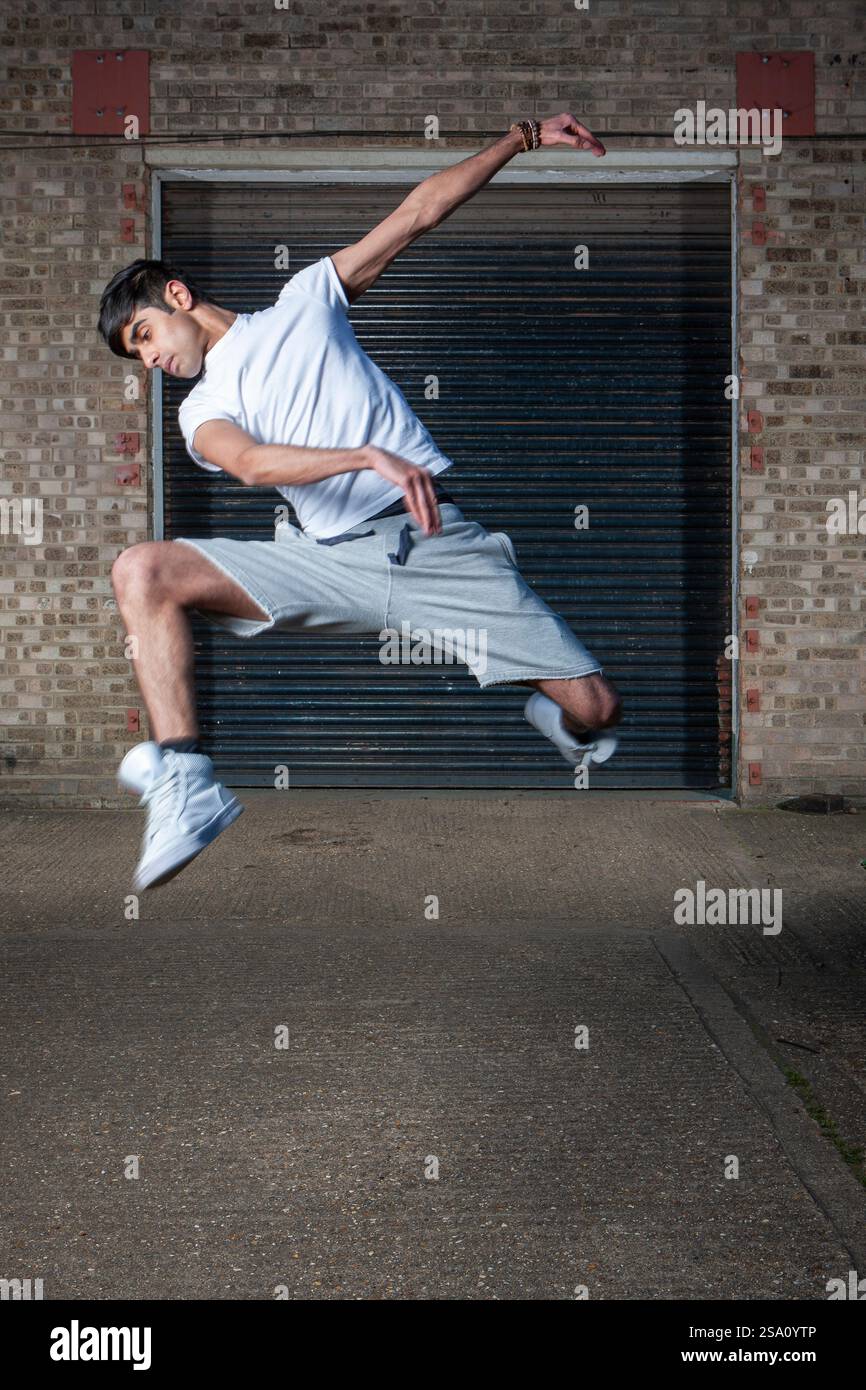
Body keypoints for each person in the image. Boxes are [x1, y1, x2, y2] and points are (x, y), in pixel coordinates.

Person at [98, 113, 623, 891]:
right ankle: (185, 780)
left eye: (146, 335)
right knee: (142, 569)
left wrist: (521, 138)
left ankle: (554, 717)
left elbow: (420, 212)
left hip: (436, 546)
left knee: (597, 708)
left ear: (177, 295)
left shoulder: (308, 301)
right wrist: (360, 455)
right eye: (138, 356)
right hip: (326, 562)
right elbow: (245, 464)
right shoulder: (198, 408)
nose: (153, 360)